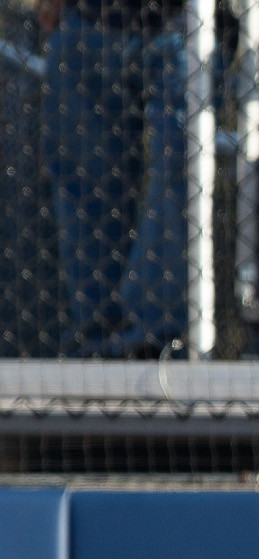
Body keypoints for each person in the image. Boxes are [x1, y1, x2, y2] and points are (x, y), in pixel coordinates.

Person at [39, 0, 191, 357]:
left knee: (179, 169)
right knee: (83, 187)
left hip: (182, 25)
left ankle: (153, 335)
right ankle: (100, 343)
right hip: (88, 21)